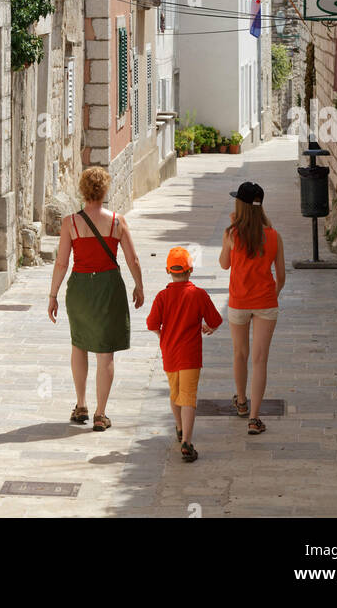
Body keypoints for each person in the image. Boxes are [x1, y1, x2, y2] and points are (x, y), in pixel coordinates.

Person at [47, 166, 144, 431]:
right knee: (105, 351)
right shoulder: (117, 221)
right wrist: (139, 286)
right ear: (104, 190)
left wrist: (53, 294)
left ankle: (81, 405)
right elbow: (132, 259)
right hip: (108, 286)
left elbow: (61, 263)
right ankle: (101, 414)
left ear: (82, 189)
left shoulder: (70, 222)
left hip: (79, 287)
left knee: (79, 344)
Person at [219, 180, 285, 435]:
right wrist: (272, 294)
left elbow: (224, 264)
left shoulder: (232, 234)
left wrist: (231, 231)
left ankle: (241, 401)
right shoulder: (273, 235)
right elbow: (281, 276)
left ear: (241, 206)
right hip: (265, 302)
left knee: (240, 354)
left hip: (238, 302)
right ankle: (255, 418)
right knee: (260, 360)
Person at [146, 245, 222, 463]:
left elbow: (152, 324)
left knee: (175, 393)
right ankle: (187, 442)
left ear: (167, 271)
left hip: (169, 353)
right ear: (190, 271)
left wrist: (163, 335)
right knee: (188, 397)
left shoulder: (162, 296)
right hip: (190, 355)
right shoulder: (198, 294)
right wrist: (209, 328)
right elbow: (215, 320)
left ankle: (179, 428)